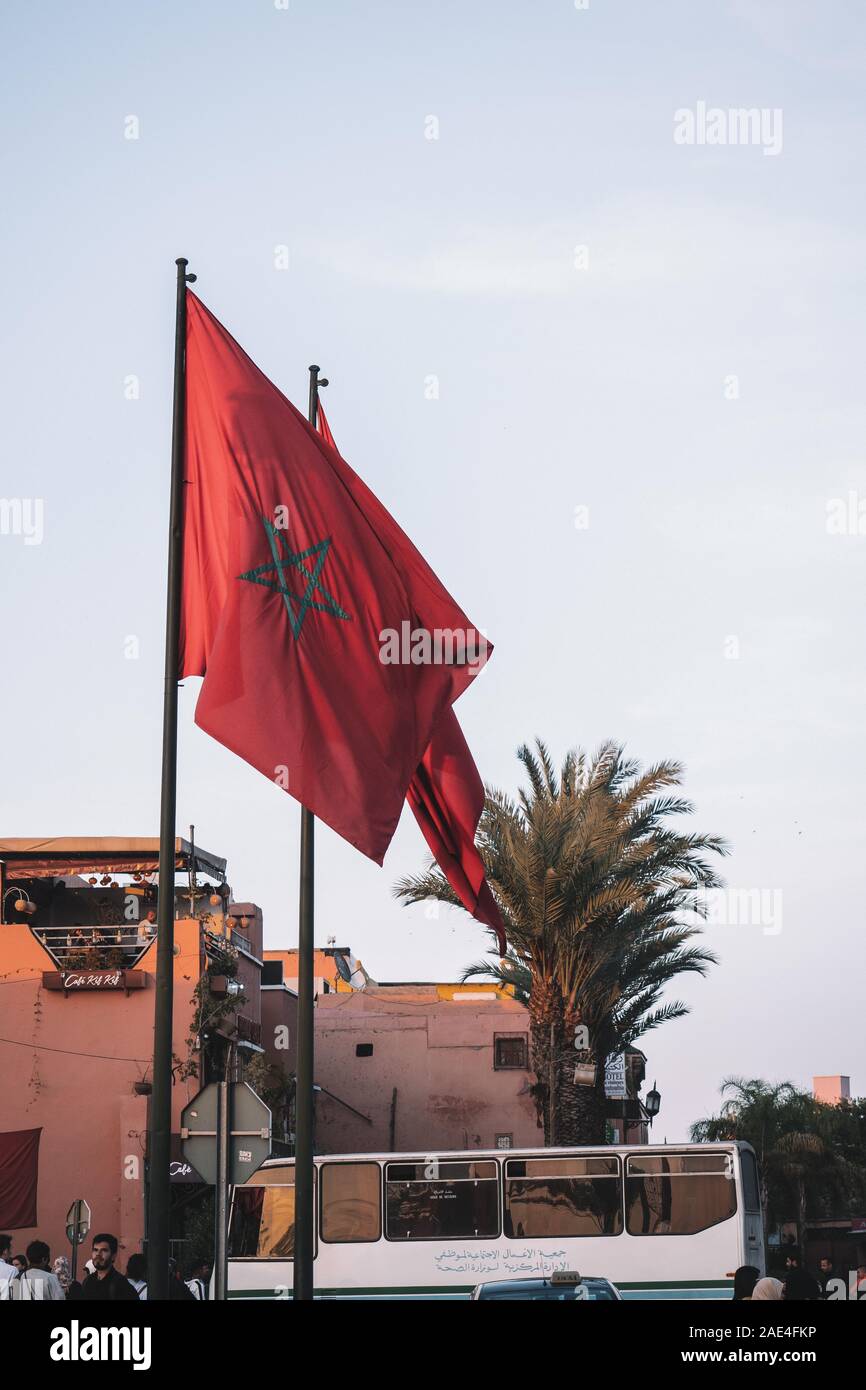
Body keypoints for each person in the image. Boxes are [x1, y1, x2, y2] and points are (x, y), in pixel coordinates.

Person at [79, 1233, 138, 1301]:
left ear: (113, 1256)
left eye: (104, 1250)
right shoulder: (88, 1281)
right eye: (95, 1250)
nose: (98, 1254)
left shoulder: (121, 1285)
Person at [0, 1236, 16, 1301]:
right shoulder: (12, 1270)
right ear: (5, 1251)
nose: (11, 1252)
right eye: (10, 1249)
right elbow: (15, 1295)